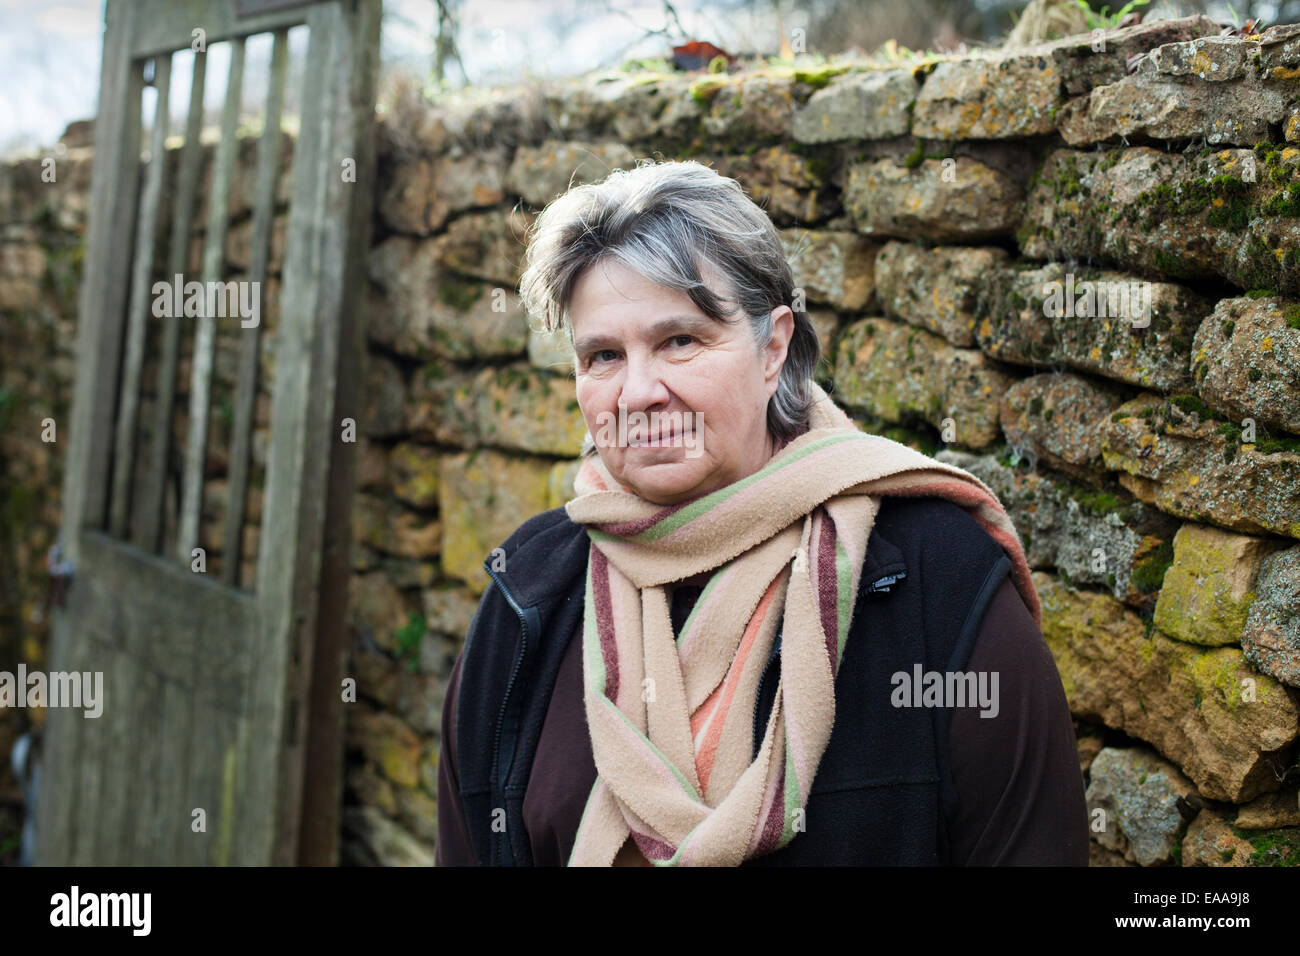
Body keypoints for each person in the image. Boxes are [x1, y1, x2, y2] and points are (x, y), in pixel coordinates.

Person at [435, 159, 1088, 867]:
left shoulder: (940, 581)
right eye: (602, 355)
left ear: (773, 345)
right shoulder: (526, 598)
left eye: (679, 340)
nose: (638, 392)